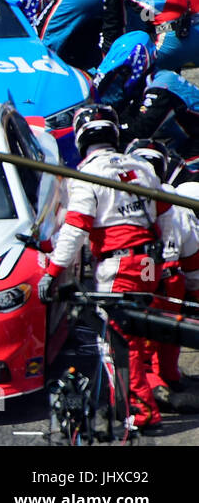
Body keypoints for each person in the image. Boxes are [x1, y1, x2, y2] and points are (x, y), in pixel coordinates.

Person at [38, 105, 199, 431]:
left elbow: (75, 230)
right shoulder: (142, 168)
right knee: (142, 331)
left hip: (118, 267)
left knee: (117, 343)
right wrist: (165, 266)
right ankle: (147, 391)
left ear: (82, 137)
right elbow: (168, 221)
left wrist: (52, 272)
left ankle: (140, 412)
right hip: (149, 266)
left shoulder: (86, 174)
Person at [123, 138, 199, 412]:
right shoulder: (175, 199)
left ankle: (154, 388)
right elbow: (191, 250)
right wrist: (193, 290)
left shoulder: (123, 194)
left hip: (142, 275)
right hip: (173, 276)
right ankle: (168, 378)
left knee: (138, 341)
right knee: (171, 333)